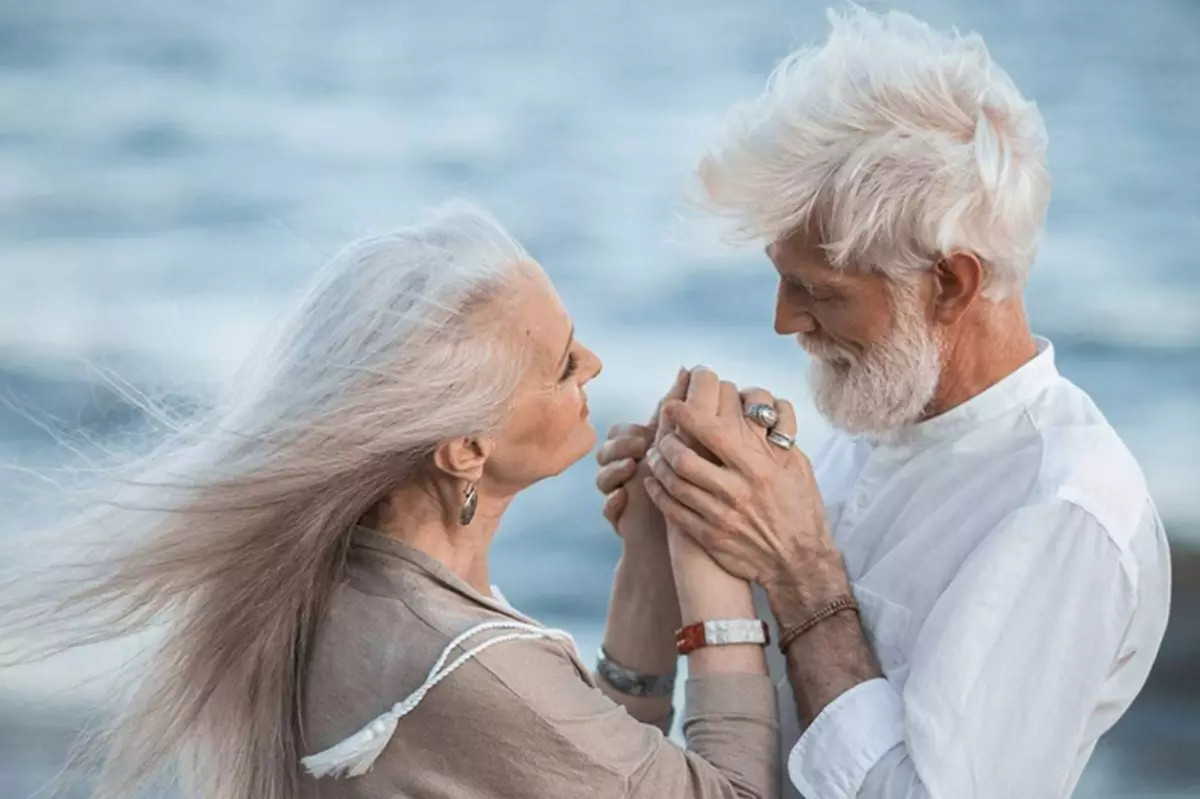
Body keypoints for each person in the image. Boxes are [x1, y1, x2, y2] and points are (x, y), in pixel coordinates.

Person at [1, 203, 779, 799]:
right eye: (563, 363)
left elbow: (577, 764)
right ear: (465, 447)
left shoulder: (346, 587)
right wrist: (712, 556)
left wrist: (648, 556)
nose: (595, 364)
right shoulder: (464, 663)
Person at [596, 8, 1171, 799]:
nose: (782, 320)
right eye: (779, 275)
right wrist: (673, 539)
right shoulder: (869, 418)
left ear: (950, 282)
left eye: (817, 290)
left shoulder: (1066, 510)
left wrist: (800, 567)